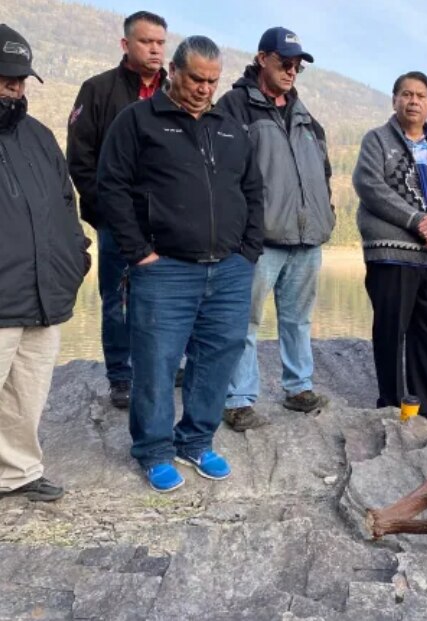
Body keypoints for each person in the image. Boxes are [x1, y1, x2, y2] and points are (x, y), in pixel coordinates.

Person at [97, 36, 264, 492]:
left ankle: (196, 440)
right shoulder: (138, 121)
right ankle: (153, 451)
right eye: (196, 79)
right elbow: (110, 187)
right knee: (155, 362)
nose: (204, 89)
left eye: (212, 81)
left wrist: (248, 251)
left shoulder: (231, 128)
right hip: (164, 268)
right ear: (174, 70)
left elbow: (252, 192)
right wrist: (139, 252)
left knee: (217, 357)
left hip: (229, 269)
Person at [218, 27, 334, 430]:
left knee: (298, 320)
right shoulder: (234, 107)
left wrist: (326, 215)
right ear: (262, 58)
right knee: (243, 320)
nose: (291, 71)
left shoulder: (305, 117)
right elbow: (221, 174)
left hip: (307, 239)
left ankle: (298, 388)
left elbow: (323, 172)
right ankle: (237, 399)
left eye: (297, 65)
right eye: (285, 62)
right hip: (257, 240)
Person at [0, 25, 90, 502]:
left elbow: (64, 200)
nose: (16, 88)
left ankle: (15, 472)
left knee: (26, 394)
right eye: (6, 78)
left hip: (43, 291)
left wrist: (76, 256)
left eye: (21, 79)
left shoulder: (37, 135)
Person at [353, 71, 427, 420]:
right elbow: (369, 185)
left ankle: (422, 407)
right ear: (394, 100)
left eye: (420, 96)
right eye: (406, 94)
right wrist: (417, 220)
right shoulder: (376, 140)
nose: (413, 101)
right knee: (390, 329)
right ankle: (390, 404)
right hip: (392, 254)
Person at [67, 11, 168, 410]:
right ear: (126, 45)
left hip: (167, 221)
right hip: (116, 220)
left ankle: (164, 365)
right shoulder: (97, 90)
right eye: (147, 42)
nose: (156, 49)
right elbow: (80, 158)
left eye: (161, 42)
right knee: (116, 301)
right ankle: (121, 376)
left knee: (166, 298)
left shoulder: (176, 91)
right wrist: (108, 213)